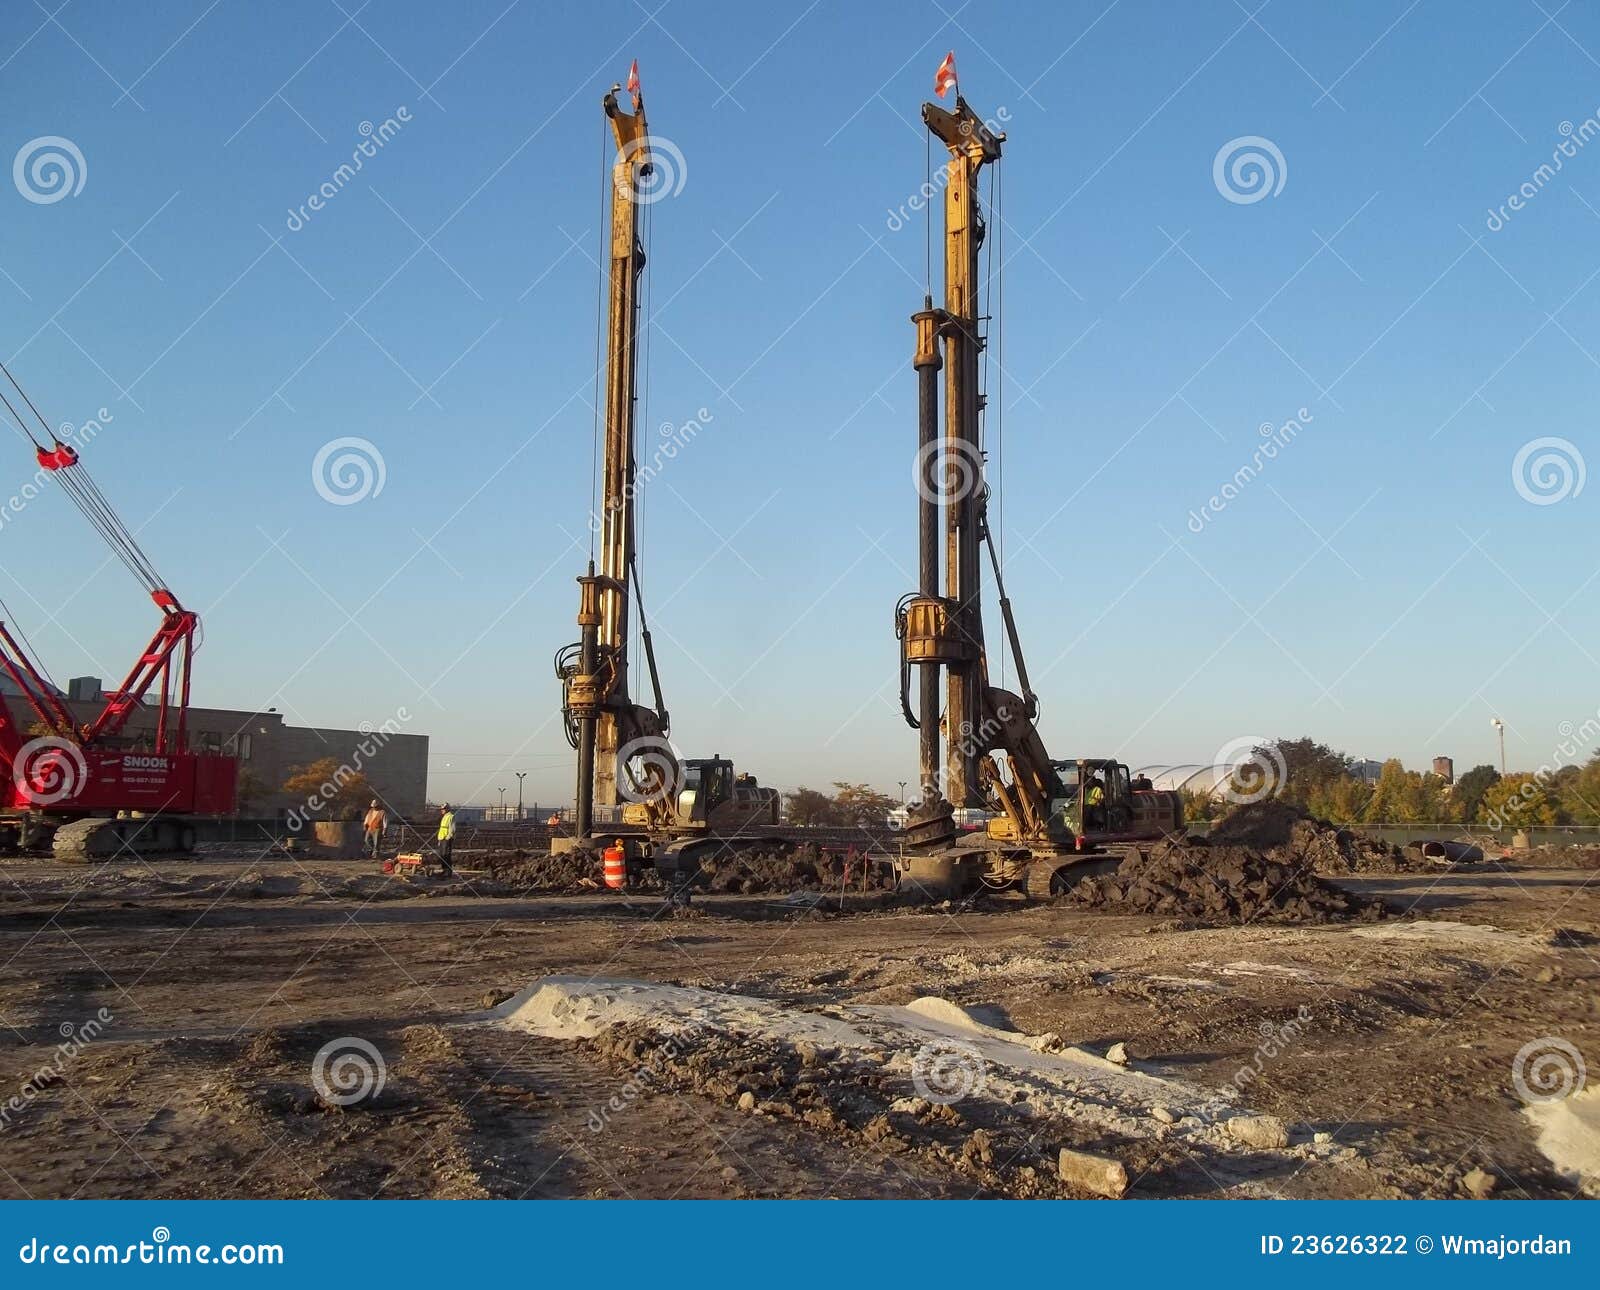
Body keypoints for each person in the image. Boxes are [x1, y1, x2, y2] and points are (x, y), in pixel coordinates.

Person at [436, 803, 456, 876]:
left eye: (443, 809)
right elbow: (442, 829)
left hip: (447, 839)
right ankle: (444, 870)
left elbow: (452, 829)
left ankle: (448, 872)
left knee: (446, 855)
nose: (441, 810)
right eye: (441, 809)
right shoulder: (444, 817)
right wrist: (439, 840)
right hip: (442, 838)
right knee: (442, 855)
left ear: (447, 809)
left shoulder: (451, 816)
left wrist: (448, 837)